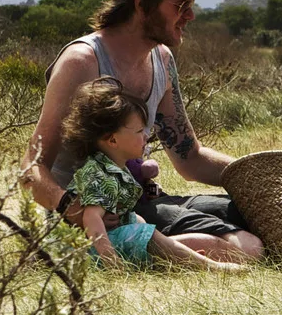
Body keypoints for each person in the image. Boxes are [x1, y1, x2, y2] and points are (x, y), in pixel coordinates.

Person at [24, 0, 264, 265]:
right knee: (244, 247)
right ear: (141, 4)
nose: (190, 15)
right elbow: (31, 168)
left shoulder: (161, 59)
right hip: (91, 217)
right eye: (181, 4)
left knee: (256, 214)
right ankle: (109, 254)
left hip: (138, 200)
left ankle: (154, 249)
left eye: (191, 4)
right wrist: (74, 207)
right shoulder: (82, 62)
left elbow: (190, 158)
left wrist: (262, 176)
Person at [57, 80, 247, 271]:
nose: (146, 136)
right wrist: (112, 263)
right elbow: (91, 219)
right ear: (113, 139)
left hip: (106, 239)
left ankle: (181, 257)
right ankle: (209, 266)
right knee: (145, 234)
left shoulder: (116, 169)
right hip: (87, 249)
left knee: (144, 227)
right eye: (140, 131)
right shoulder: (99, 173)